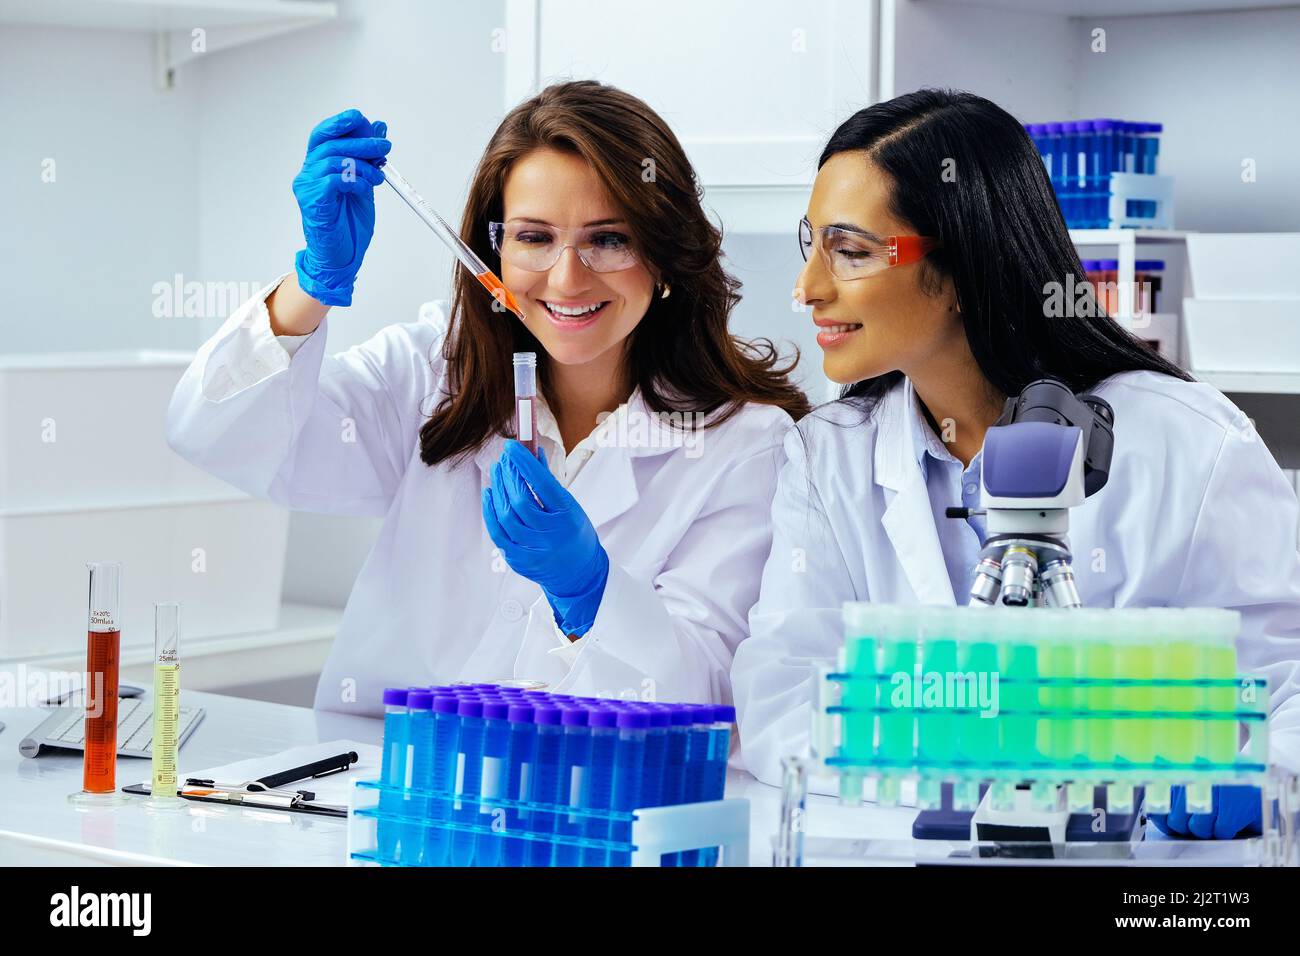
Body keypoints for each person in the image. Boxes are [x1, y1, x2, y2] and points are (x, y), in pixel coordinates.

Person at [731, 89, 1300, 839]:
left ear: (964, 266)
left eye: (851, 252)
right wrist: (976, 767)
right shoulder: (830, 455)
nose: (807, 289)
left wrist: (1251, 781)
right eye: (813, 245)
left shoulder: (1190, 444)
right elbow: (783, 699)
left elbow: (1287, 687)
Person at [167, 81, 809, 717]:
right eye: (533, 237)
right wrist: (313, 285)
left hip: (582, 793)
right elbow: (218, 436)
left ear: (665, 253)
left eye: (608, 239)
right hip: (382, 776)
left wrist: (589, 593)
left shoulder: (745, 443)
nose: (566, 277)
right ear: (491, 252)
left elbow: (709, 697)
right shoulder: (431, 373)